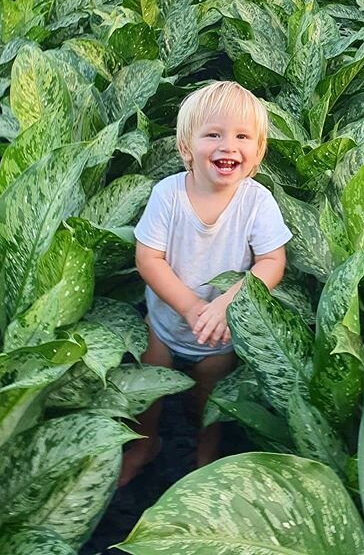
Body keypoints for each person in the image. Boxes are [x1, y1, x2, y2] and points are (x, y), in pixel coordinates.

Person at [118, 81, 292, 487]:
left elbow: (272, 261)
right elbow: (148, 258)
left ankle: (204, 455)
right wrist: (191, 307)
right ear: (185, 148)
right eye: (213, 134)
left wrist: (228, 302)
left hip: (219, 334)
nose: (228, 145)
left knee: (208, 400)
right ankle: (145, 445)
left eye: (242, 136)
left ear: (257, 153)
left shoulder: (256, 202)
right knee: (149, 390)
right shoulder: (169, 196)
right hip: (163, 324)